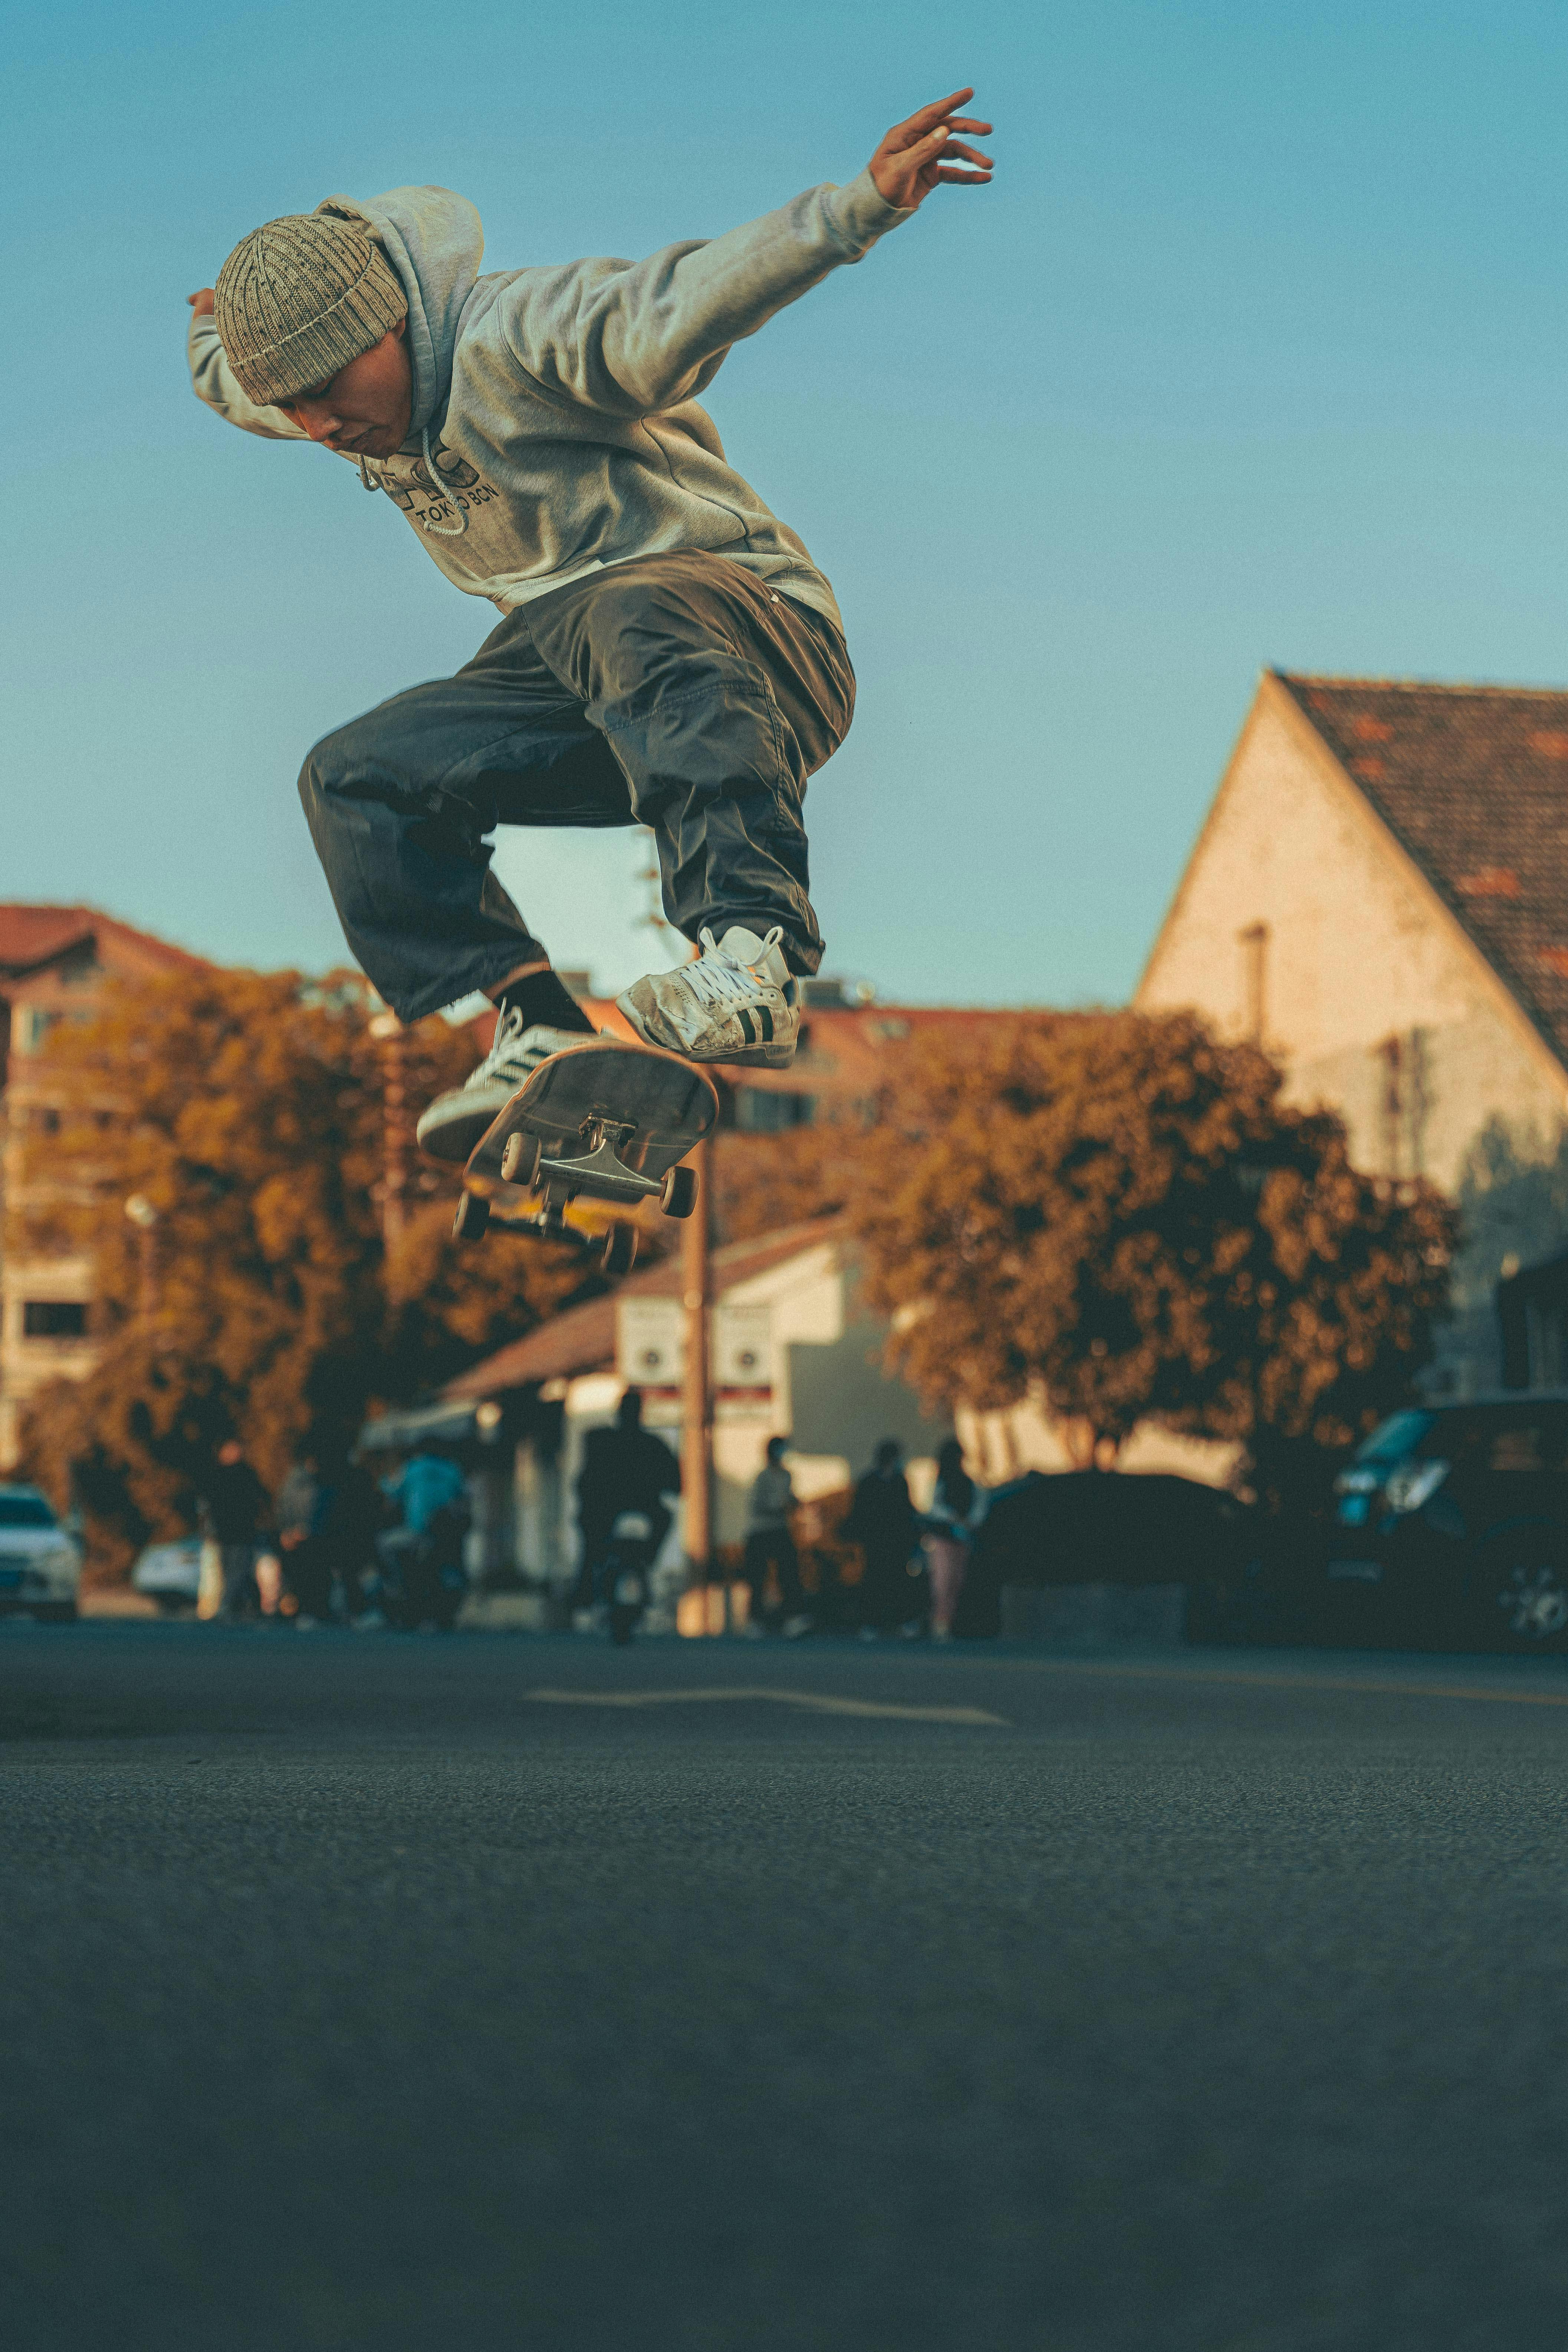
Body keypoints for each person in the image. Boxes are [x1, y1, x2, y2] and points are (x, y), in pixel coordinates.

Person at [184, 93, 995, 1154]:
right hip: (599, 700)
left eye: (329, 391)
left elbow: (679, 303)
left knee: (621, 604)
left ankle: (749, 952)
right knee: (353, 774)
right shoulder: (320, 400)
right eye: (290, 408)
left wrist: (854, 209)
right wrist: (215, 331)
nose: (320, 428)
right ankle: (534, 1019)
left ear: (390, 323)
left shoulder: (519, 337)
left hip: (753, 645)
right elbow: (225, 382)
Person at [574, 1391, 681, 1612]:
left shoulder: (607, 1442)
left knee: (592, 1542)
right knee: (592, 1542)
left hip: (628, 1511)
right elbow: (585, 1482)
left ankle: (588, 1589)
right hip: (617, 1512)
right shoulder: (648, 1444)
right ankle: (588, 1588)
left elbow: (676, 1485)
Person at [843, 1439, 920, 1636]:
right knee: (874, 1580)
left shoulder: (900, 1482)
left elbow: (907, 1510)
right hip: (876, 1541)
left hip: (897, 1542)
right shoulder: (870, 1482)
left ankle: (899, 1622)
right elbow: (860, 1513)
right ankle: (871, 1623)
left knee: (898, 1580)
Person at [198, 1438, 272, 1620]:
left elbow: (261, 1499)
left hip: (242, 1532)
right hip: (223, 1533)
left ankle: (229, 1606)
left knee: (239, 1569)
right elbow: (206, 1507)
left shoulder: (246, 1474)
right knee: (227, 1570)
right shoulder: (216, 1476)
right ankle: (239, 1605)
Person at [742, 1436, 809, 1636]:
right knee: (758, 1578)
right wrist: (780, 1508)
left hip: (780, 1530)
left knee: (789, 1574)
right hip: (761, 1532)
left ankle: (792, 1619)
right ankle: (755, 1621)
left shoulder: (787, 1476)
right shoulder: (762, 1477)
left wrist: (795, 1503)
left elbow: (788, 1497)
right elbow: (757, 1505)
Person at [922, 1438, 985, 1641]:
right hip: (943, 1538)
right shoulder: (941, 1482)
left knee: (956, 1582)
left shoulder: (969, 1482)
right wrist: (954, 1517)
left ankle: (947, 1623)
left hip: (962, 1537)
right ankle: (939, 1624)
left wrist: (970, 1522)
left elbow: (980, 1506)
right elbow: (934, 1508)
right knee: (943, 1581)